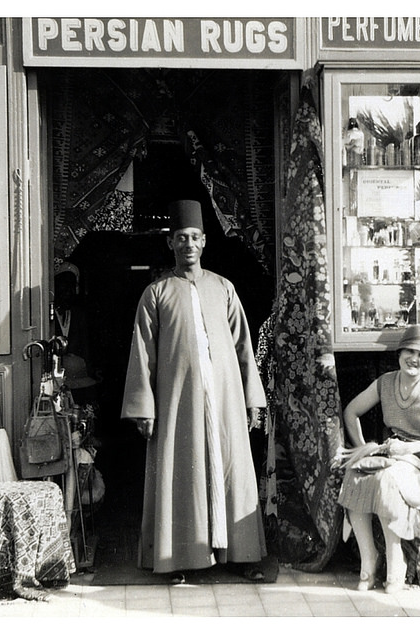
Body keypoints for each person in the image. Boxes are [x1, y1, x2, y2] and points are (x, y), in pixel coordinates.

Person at [121, 199, 267, 584]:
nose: (188, 244)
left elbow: (243, 349)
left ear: (204, 242)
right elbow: (143, 355)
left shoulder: (224, 288)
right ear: (170, 243)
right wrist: (144, 408)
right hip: (178, 402)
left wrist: (253, 398)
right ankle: (178, 560)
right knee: (181, 476)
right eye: (181, 238)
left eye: (194, 237)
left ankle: (243, 555)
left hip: (225, 401)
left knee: (233, 471)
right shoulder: (156, 293)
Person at [336, 324, 420, 593]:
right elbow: (351, 412)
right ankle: (368, 560)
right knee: (355, 474)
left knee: (387, 479)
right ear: (399, 353)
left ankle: (396, 562)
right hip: (391, 453)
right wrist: (364, 447)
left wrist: (411, 449)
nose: (415, 359)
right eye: (410, 351)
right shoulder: (386, 382)